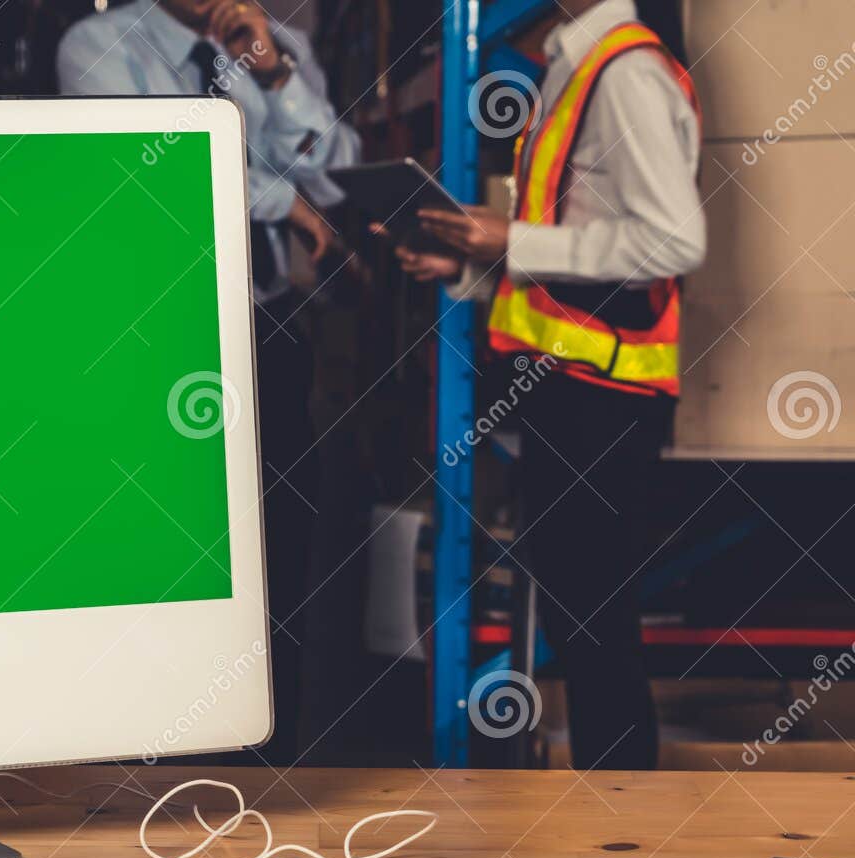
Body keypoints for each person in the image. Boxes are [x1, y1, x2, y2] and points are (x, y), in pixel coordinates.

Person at [387, 0, 705, 769]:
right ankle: (610, 813)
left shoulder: (623, 70)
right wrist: (470, 261)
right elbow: (574, 242)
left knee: (596, 624)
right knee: (581, 619)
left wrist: (508, 236)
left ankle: (622, 815)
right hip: (567, 386)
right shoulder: (575, 63)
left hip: (603, 390)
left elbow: (672, 238)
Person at [58, 1, 360, 763]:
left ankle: (266, 756)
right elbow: (150, 169)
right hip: (164, 335)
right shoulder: (98, 45)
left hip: (269, 326)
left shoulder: (275, 45)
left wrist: (276, 74)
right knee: (176, 554)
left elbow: (336, 166)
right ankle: (158, 756)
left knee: (281, 544)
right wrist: (278, 198)